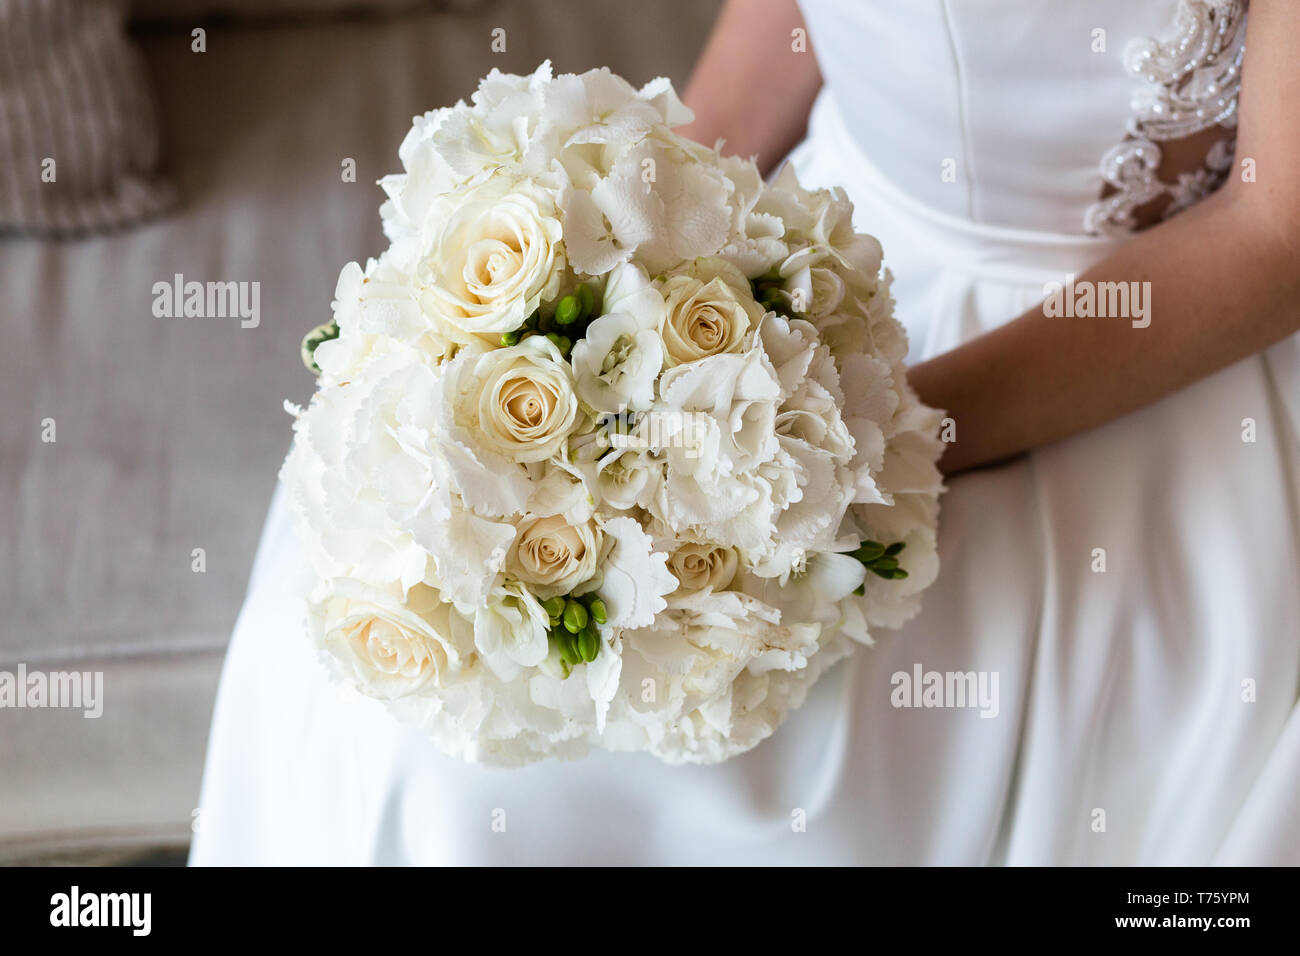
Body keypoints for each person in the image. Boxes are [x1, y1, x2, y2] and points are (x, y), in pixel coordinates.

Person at [191, 0, 1299, 864]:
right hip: (828, 243)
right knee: (363, 648)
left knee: (603, 765)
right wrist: (625, 240)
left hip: (1129, 346)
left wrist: (880, 427)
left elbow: (1275, 233)